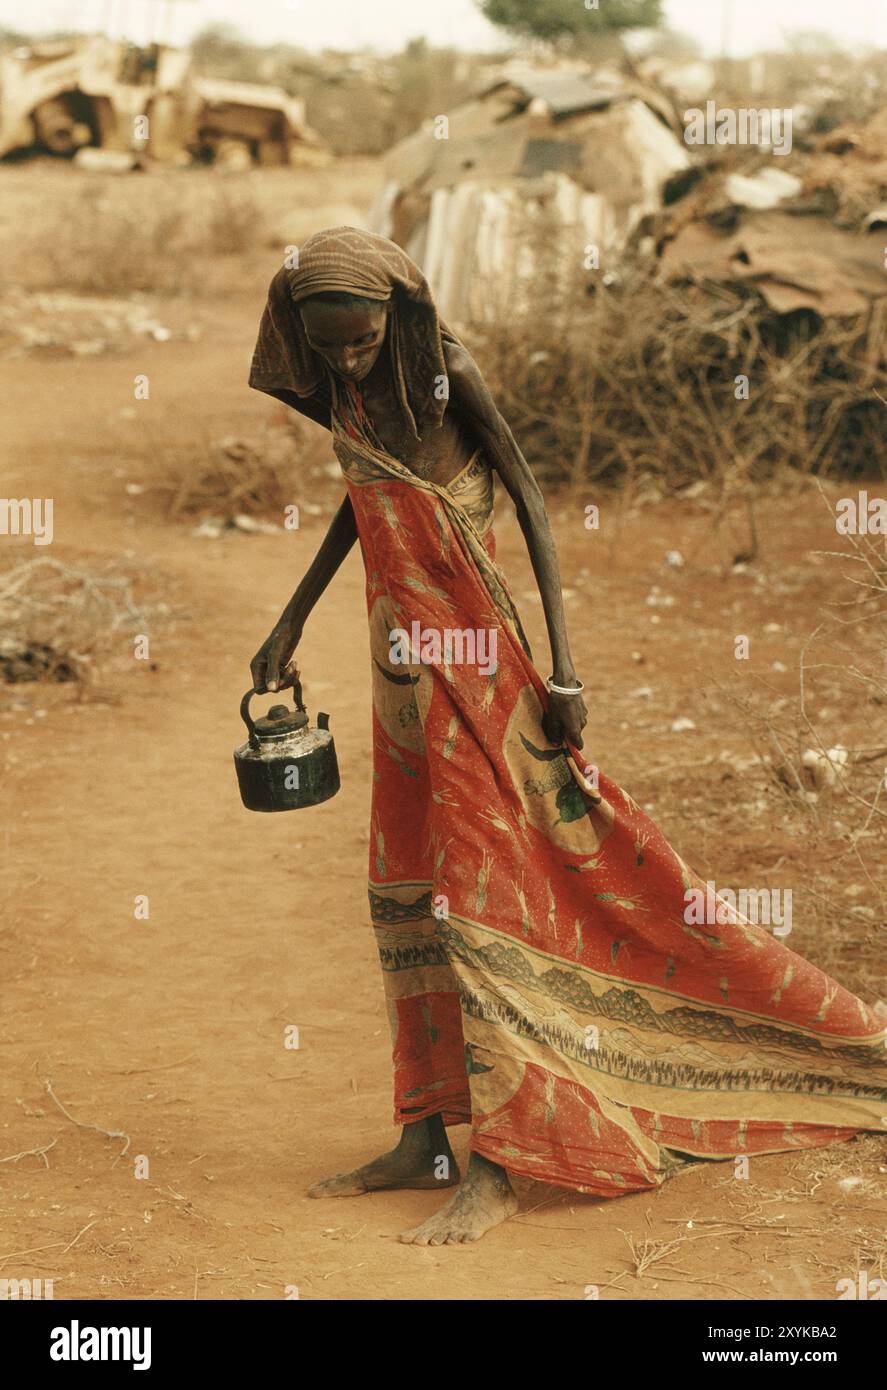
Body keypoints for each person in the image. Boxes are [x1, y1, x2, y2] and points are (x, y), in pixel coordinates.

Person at [248, 226, 887, 1246]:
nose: (346, 360)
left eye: (361, 342)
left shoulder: (448, 377)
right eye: (329, 348)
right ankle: (424, 1135)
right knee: (402, 881)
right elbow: (364, 496)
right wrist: (288, 618)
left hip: (481, 667)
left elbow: (534, 504)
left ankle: (500, 1160)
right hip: (400, 670)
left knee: (481, 889)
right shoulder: (351, 390)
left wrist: (566, 667)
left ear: (394, 318)